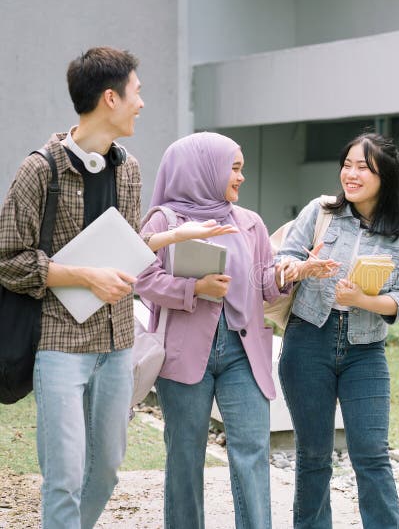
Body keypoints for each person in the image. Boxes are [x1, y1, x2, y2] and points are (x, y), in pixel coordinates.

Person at [0, 47, 232, 529]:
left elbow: (122, 249)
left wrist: (172, 236)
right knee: (63, 477)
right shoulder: (39, 170)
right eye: (137, 92)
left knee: (104, 473)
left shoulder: (129, 169)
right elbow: (9, 260)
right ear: (111, 97)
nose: (141, 103)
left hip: (117, 343)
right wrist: (86, 276)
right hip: (60, 345)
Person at [135, 131, 323, 529]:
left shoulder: (249, 223)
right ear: (204, 169)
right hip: (185, 357)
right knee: (185, 455)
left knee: (252, 451)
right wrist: (194, 289)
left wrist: (293, 274)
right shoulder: (164, 221)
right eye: (234, 169)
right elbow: (142, 278)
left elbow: (263, 284)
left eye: (241, 169)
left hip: (244, 353)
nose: (240, 178)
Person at [276, 133, 399, 528]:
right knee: (314, 454)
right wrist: (303, 268)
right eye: (348, 164)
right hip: (309, 340)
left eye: (363, 167)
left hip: (365, 350)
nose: (351, 174)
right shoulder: (320, 211)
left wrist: (363, 301)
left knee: (372, 452)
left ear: (384, 177)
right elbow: (282, 261)